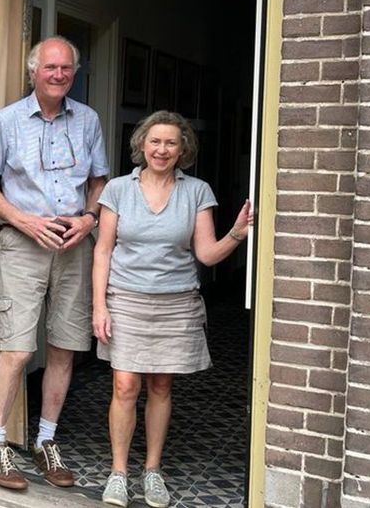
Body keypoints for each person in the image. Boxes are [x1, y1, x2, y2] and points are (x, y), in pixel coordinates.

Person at [91, 111, 254, 507]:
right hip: (125, 298)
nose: (162, 150)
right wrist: (99, 305)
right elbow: (103, 250)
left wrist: (237, 233)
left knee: (161, 386)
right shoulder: (117, 189)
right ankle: (117, 473)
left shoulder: (197, 191)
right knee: (125, 385)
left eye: (171, 143)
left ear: (183, 150)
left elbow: (206, 253)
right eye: (155, 142)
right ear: (142, 146)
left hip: (177, 301)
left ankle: (152, 470)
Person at [0, 36, 110, 490]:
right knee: (16, 348)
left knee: (64, 346)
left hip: (74, 247)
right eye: (50, 67)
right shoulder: (7, 121)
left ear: (74, 73)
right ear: (33, 71)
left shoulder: (88, 120)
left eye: (66, 68)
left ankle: (46, 441)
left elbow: (98, 180)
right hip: (24, 244)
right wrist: (24, 221)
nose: (58, 75)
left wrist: (89, 219)